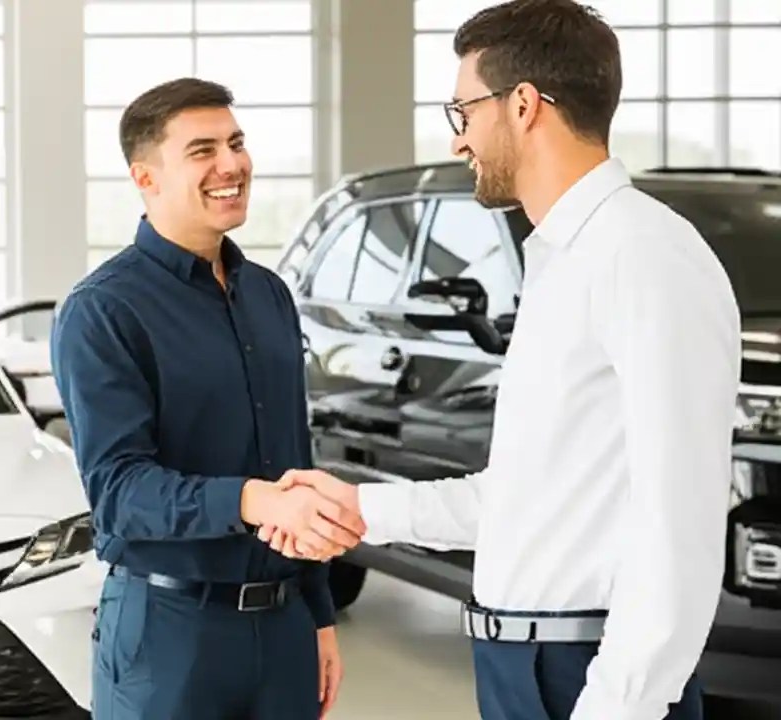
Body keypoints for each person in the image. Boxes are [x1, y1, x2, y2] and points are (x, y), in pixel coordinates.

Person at [261, 1, 742, 718]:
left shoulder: (643, 255)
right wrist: (360, 507)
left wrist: (614, 708)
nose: (458, 141)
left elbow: (681, 524)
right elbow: (524, 499)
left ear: (522, 105)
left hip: (589, 675)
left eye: (463, 111)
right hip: (526, 663)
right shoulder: (558, 261)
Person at [49, 77, 363, 720]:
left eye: (236, 143)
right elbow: (119, 491)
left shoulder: (270, 296)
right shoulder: (103, 310)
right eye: (202, 150)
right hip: (169, 629)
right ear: (146, 177)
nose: (232, 165)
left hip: (282, 627)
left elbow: (292, 463)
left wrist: (319, 615)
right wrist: (250, 499)